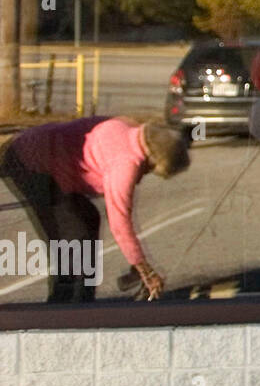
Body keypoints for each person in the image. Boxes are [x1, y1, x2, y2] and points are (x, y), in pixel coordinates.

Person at [0, 116, 189, 302]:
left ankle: (80, 300)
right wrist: (144, 268)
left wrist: (137, 262)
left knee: (89, 218)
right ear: (156, 160)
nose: (146, 174)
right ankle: (65, 305)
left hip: (37, 151)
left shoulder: (127, 127)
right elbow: (120, 224)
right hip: (30, 163)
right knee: (74, 234)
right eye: (152, 170)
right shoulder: (126, 163)